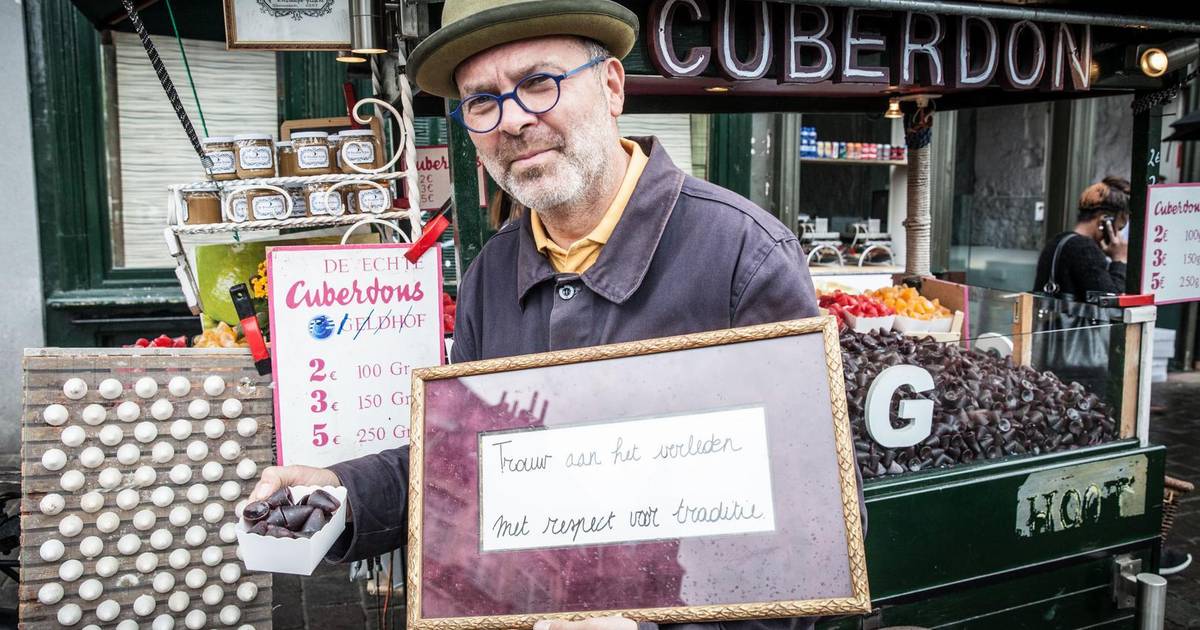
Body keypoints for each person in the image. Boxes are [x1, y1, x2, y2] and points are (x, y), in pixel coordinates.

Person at [250, 1, 837, 628]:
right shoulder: (491, 276)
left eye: (538, 83)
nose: (513, 120)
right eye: (482, 101)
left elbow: (803, 535)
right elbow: (464, 460)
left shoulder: (742, 258)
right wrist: (342, 492)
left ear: (612, 86)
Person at [1033, 176, 1131, 300]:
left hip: (1049, 318)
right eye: (1119, 228)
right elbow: (1111, 302)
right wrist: (1120, 259)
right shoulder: (1085, 249)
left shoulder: (1058, 241)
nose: (1119, 236)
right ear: (1105, 221)